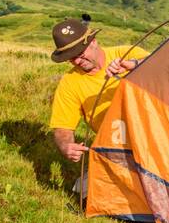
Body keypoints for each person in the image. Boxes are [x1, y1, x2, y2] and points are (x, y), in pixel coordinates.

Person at [47, 15, 148, 202]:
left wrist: (133, 66)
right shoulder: (70, 83)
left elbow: (165, 67)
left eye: (80, 53)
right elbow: (62, 127)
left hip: (152, 133)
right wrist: (66, 146)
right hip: (116, 147)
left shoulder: (126, 53)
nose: (77, 61)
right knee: (83, 191)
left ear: (93, 41)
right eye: (71, 58)